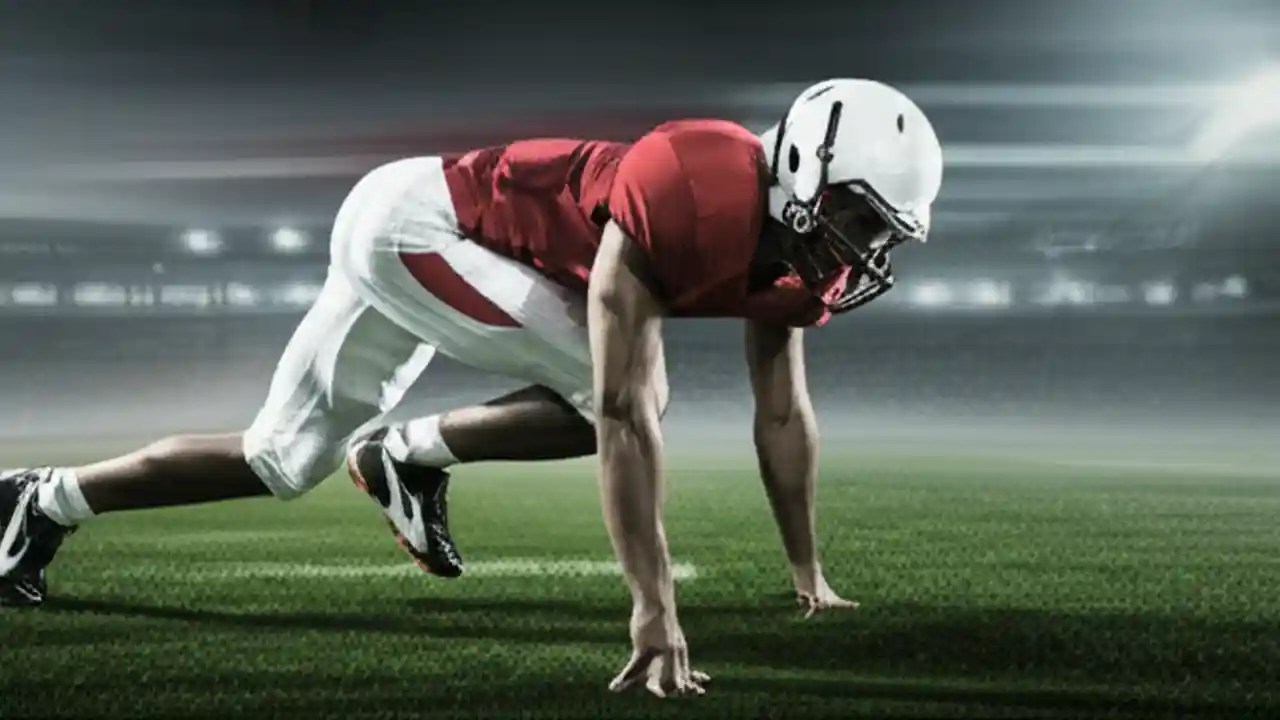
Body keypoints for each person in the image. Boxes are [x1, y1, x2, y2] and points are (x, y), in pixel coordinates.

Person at [0, 79, 943, 698]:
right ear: (800, 167)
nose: (865, 247)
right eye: (861, 213)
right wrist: (654, 608)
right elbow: (617, 408)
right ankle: (407, 453)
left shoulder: (802, 261)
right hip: (424, 227)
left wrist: (807, 573)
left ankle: (40, 502)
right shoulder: (690, 179)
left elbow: (781, 411)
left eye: (886, 232)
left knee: (279, 461)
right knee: (632, 394)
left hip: (432, 244)